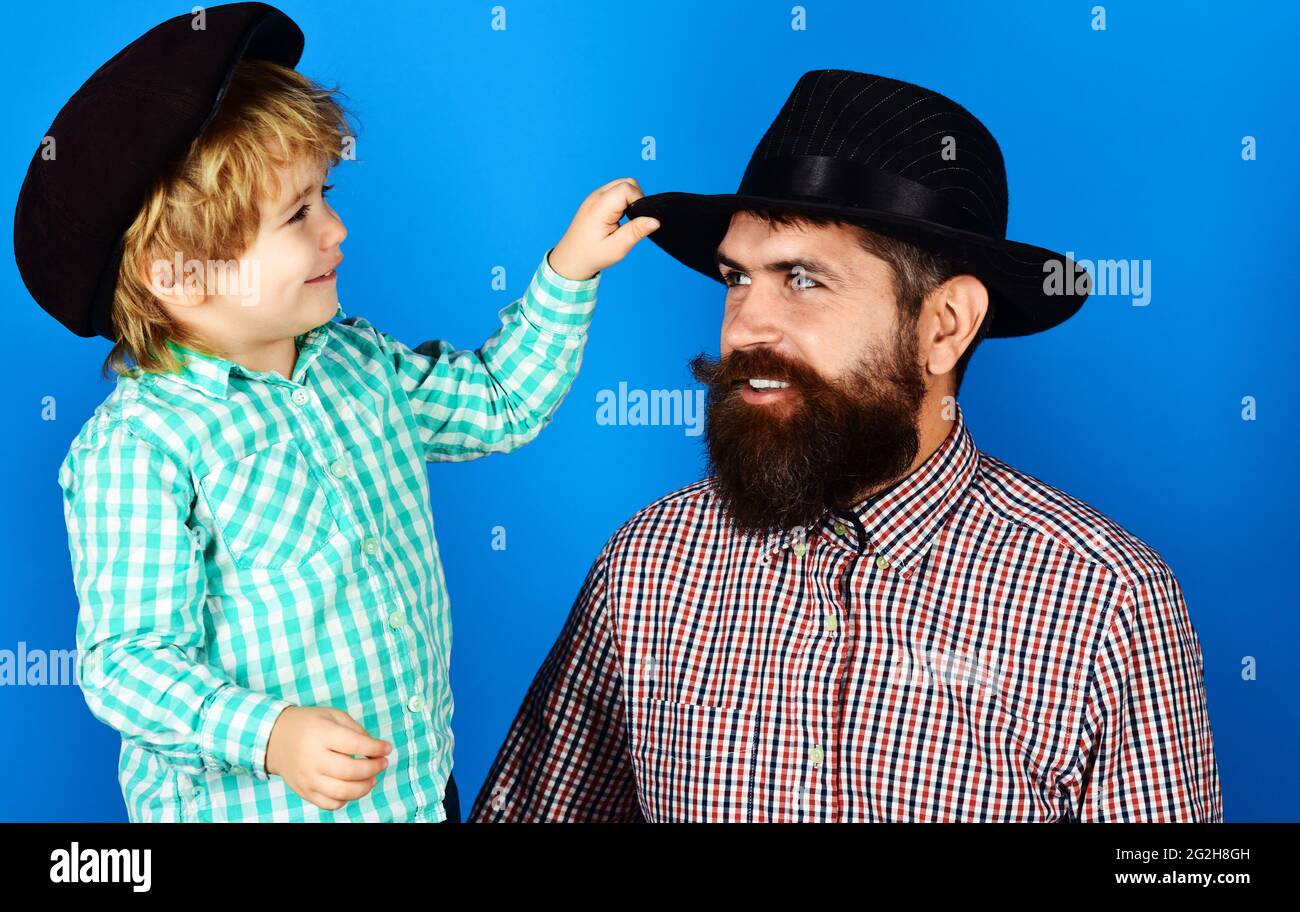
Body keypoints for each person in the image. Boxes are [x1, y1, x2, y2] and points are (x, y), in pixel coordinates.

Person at [468, 69, 1222, 823]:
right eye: (737, 277)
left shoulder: (1105, 600)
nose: (743, 329)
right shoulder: (648, 566)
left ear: (945, 325)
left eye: (801, 278)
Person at [17, 2, 657, 822]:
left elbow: (500, 402)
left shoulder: (361, 363)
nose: (339, 229)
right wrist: (272, 732)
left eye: (326, 194)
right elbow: (129, 662)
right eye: (299, 215)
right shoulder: (142, 446)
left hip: (415, 794)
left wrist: (569, 272)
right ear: (176, 276)